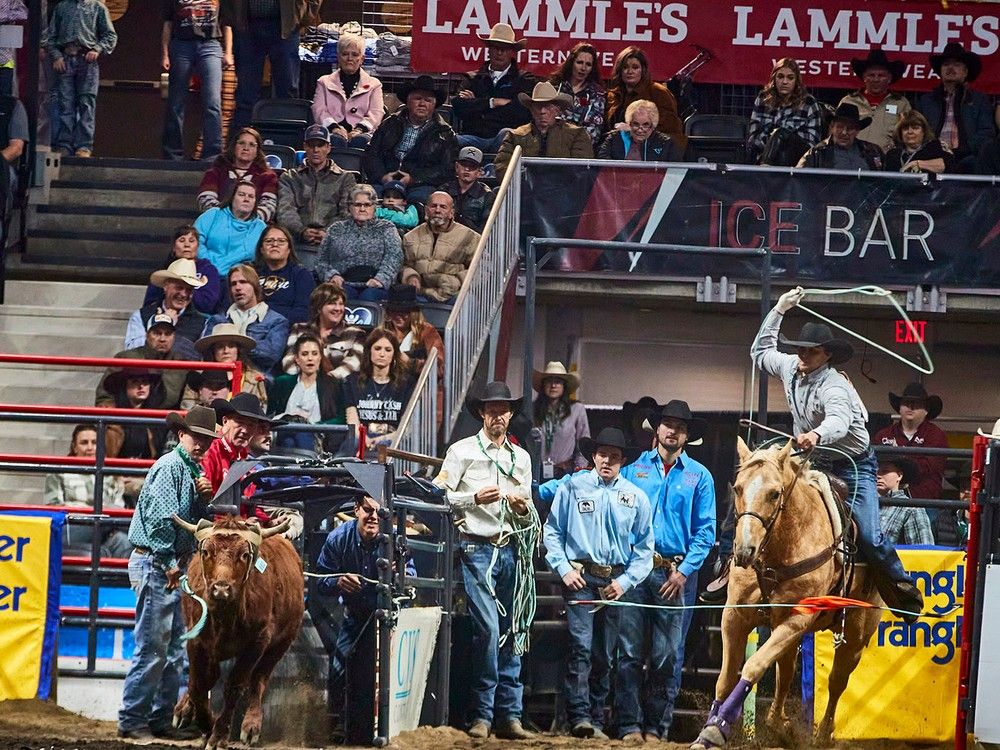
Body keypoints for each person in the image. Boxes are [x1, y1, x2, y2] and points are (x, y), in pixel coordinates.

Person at [751, 287, 924, 621]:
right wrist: (779, 309)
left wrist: (815, 434)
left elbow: (840, 422)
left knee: (871, 536)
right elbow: (760, 352)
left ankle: (901, 589)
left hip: (853, 465)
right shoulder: (790, 366)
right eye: (801, 350)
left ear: (826, 355)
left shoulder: (835, 386)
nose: (803, 356)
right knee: (758, 486)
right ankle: (733, 569)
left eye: (811, 352)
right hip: (813, 458)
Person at [434, 381, 537, 740]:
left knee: (514, 630)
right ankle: (484, 714)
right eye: (491, 409)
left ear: (510, 414)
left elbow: (527, 511)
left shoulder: (520, 458)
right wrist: (472, 498)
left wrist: (523, 509)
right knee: (490, 630)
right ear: (482, 413)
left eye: (503, 409)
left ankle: (509, 714)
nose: (497, 415)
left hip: (511, 548)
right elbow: (439, 495)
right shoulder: (461, 452)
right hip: (476, 548)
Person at [543, 427, 652, 740]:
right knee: (580, 646)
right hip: (580, 578)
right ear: (594, 456)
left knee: (605, 652)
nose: (607, 461)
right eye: (603, 454)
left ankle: (595, 716)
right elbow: (552, 532)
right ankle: (580, 716)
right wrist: (564, 568)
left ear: (622, 461)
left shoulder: (636, 497)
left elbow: (645, 549)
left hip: (614, 581)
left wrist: (626, 581)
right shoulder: (573, 487)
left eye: (614, 457)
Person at [117, 406, 218, 741]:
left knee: (173, 647)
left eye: (206, 439)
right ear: (182, 435)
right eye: (197, 437)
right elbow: (162, 519)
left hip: (168, 564)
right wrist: (170, 563)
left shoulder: (188, 470)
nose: (202, 444)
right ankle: (133, 719)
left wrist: (204, 500)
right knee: (155, 646)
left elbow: (187, 521)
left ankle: (158, 718)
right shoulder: (171, 467)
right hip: (160, 563)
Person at [618, 399, 715, 742]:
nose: (673, 430)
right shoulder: (631, 470)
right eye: (668, 424)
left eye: (681, 426)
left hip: (675, 572)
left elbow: (706, 531)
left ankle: (656, 727)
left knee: (666, 655)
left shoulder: (699, 476)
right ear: (657, 429)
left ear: (687, 436)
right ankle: (630, 724)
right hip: (636, 569)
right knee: (629, 651)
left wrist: (685, 571)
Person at [315, 494, 416, 745]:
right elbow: (319, 582)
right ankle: (340, 721)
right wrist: (337, 581)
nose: (373, 517)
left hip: (390, 615)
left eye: (379, 513)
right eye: (368, 510)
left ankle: (390, 725)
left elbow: (413, 578)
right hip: (357, 612)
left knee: (387, 673)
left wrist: (400, 577)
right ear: (357, 510)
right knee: (340, 666)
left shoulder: (397, 539)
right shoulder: (338, 538)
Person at [223, 0, 320, 133]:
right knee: (245, 94)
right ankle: (241, 145)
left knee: (287, 91)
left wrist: (305, 15)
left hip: (286, 25)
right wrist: (231, 17)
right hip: (247, 25)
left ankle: (285, 142)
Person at [362, 75, 458, 204]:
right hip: (385, 180)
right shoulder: (389, 123)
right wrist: (382, 176)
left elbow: (447, 169)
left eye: (428, 100)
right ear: (407, 101)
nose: (422, 104)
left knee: (421, 199)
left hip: (421, 184)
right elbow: (371, 154)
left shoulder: (445, 133)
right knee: (365, 197)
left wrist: (414, 178)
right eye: (417, 99)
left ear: (435, 105)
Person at [44, 423, 130, 559]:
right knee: (108, 517)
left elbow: (118, 510)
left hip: (104, 526)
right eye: (84, 443)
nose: (90, 448)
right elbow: (54, 508)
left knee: (123, 540)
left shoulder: (111, 475)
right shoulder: (59, 471)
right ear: (74, 447)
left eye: (94, 443)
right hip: (72, 527)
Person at [276, 124, 357, 268]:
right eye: (311, 145)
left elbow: (347, 213)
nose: (316, 150)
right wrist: (302, 231)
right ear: (304, 147)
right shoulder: (289, 177)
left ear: (328, 147)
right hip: (296, 239)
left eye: (320, 145)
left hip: (334, 240)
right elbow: (285, 211)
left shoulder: (346, 178)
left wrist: (327, 232)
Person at [161, 0, 232, 161]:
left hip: (210, 44)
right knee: (176, 101)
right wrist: (165, 53)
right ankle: (173, 154)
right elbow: (168, 24)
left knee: (213, 101)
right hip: (181, 45)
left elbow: (227, 23)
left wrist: (228, 52)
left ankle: (212, 155)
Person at [45, 0, 117, 157]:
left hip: (87, 60)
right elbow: (50, 37)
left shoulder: (97, 7)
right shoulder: (62, 7)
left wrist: (97, 49)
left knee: (86, 103)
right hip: (66, 58)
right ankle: (64, 144)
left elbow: (110, 35)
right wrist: (56, 56)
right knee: (65, 103)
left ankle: (84, 146)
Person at [451, 23, 535, 154]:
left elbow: (523, 112)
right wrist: (493, 102)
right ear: (489, 49)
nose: (499, 52)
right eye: (496, 48)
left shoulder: (525, 79)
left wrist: (477, 105)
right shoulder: (471, 77)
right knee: (450, 140)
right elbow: (459, 107)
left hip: (505, 138)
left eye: (505, 49)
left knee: (506, 133)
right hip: (473, 138)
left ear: (511, 52)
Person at [313, 183, 402, 301]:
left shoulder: (386, 228)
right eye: (357, 204)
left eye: (367, 204)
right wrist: (332, 275)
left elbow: (394, 257)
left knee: (368, 296)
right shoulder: (336, 229)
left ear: (375, 206)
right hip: (342, 284)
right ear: (349, 207)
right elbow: (321, 260)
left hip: (375, 285)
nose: (362, 209)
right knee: (340, 296)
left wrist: (381, 279)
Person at [916, 42, 994, 172]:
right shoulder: (926, 101)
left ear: (965, 72)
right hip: (931, 158)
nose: (950, 68)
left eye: (956, 64)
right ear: (940, 71)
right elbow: (918, 129)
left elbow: (986, 132)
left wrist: (963, 150)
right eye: (946, 64)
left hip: (967, 159)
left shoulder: (979, 100)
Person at [494, 81, 594, 179]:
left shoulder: (577, 134)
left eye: (548, 106)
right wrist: (524, 177)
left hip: (563, 191)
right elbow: (501, 166)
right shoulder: (515, 135)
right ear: (531, 110)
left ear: (557, 110)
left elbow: (582, 170)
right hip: (524, 191)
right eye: (538, 106)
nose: (542, 111)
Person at [204, 264, 290, 374]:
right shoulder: (217, 320)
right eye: (233, 284)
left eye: (243, 282)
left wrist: (238, 343)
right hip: (220, 379)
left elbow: (271, 354)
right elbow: (206, 351)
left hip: (258, 380)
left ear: (255, 286)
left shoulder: (276, 321)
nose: (238, 288)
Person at [344, 327, 416, 456]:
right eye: (377, 349)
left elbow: (406, 428)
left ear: (394, 354)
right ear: (369, 351)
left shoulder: (407, 384)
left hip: (393, 438)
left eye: (388, 350)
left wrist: (380, 440)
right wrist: (363, 439)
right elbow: (352, 420)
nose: (382, 354)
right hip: (361, 437)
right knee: (352, 444)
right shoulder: (352, 381)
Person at [268, 333, 345, 451]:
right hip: (284, 433)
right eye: (305, 354)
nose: (310, 358)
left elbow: (341, 418)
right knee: (288, 440)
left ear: (320, 357)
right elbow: (270, 415)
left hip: (317, 436)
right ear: (297, 359)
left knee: (300, 436)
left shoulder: (333, 384)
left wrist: (316, 426)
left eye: (314, 354)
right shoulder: (282, 383)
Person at [873, 382, 948, 501]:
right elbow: (874, 465)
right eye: (905, 403)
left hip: (924, 501)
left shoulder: (936, 435)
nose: (911, 406)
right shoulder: (883, 435)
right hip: (886, 500)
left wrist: (897, 460)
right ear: (899, 408)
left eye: (917, 404)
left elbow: (927, 467)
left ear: (926, 410)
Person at [401, 191, 480, 303]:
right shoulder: (410, 237)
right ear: (426, 210)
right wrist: (410, 276)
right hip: (420, 295)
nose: (437, 210)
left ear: (451, 213)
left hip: (453, 295)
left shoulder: (470, 237)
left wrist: (458, 280)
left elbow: (483, 268)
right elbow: (403, 265)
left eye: (443, 207)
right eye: (433, 206)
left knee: (465, 300)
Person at [382, 284, 444, 424]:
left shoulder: (427, 332)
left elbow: (439, 367)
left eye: (404, 311)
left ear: (413, 312)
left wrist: (410, 363)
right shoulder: (381, 333)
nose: (399, 316)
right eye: (394, 311)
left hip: (417, 398)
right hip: (385, 397)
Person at [98, 312, 186, 411]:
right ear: (147, 335)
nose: (162, 339)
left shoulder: (181, 362)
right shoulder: (126, 358)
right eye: (157, 333)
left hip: (168, 419)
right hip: (128, 416)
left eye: (168, 334)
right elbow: (104, 396)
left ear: (174, 337)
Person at [125, 258, 209, 361]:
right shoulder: (141, 315)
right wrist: (162, 324)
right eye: (179, 287)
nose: (183, 294)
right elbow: (132, 352)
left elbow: (199, 358)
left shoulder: (202, 322)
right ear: (165, 286)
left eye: (189, 290)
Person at [310, 32, 383, 148]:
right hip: (331, 131)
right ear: (338, 57)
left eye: (354, 55)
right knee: (334, 140)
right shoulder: (324, 82)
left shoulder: (374, 84)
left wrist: (359, 130)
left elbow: (376, 113)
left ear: (362, 59)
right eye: (345, 54)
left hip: (363, 133)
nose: (350, 59)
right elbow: (319, 110)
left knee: (360, 141)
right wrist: (334, 128)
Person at [746, 58, 824, 165]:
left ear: (796, 81)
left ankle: (765, 167)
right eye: (780, 77)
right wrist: (772, 141)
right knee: (777, 136)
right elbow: (752, 139)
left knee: (781, 133)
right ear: (774, 78)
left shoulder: (809, 103)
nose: (785, 82)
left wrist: (785, 137)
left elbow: (812, 144)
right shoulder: (762, 99)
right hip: (764, 153)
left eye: (790, 78)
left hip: (796, 161)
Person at [282, 282, 366, 380]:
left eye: (341, 304)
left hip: (338, 389)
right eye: (332, 303)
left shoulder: (355, 334)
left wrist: (323, 382)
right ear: (318, 308)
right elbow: (288, 363)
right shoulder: (299, 329)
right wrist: (308, 378)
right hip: (302, 384)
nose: (338, 308)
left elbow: (352, 366)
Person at [603, 47, 685, 147]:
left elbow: (671, 131)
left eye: (635, 67)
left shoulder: (658, 92)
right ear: (619, 70)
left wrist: (633, 130)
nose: (630, 71)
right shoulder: (613, 95)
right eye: (625, 67)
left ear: (643, 70)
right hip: (617, 149)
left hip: (653, 150)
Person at [197, 126, 278, 221]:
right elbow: (206, 201)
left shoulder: (268, 177)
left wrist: (247, 221)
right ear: (234, 147)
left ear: (257, 151)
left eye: (252, 145)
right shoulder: (214, 173)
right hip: (218, 223)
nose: (246, 148)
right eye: (241, 143)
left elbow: (269, 206)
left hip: (252, 227)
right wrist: (227, 220)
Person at [839, 48, 911, 153]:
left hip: (887, 162)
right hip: (851, 159)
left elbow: (910, 135)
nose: (876, 79)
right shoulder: (848, 101)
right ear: (864, 77)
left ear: (889, 78)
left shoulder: (901, 103)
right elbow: (836, 132)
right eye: (871, 75)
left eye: (881, 75)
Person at [143, 225, 223, 316]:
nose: (187, 245)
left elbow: (208, 304)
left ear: (198, 246)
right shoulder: (164, 272)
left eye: (191, 241)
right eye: (181, 240)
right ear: (173, 247)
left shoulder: (208, 270)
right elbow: (149, 303)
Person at [185, 321, 268, 409]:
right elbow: (187, 406)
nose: (226, 351)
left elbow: (261, 409)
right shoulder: (198, 375)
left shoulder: (254, 378)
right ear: (213, 351)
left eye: (231, 346)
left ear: (238, 350)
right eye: (220, 347)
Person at [194, 179, 268, 275]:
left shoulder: (260, 227)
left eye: (251, 196)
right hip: (206, 271)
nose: (246, 199)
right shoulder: (213, 215)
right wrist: (211, 266)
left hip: (241, 277)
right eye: (241, 195)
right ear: (232, 197)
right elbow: (195, 241)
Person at [531, 361, 589, 479]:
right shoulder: (532, 410)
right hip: (535, 472)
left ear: (564, 386)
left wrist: (579, 473)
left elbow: (583, 444)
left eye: (557, 382)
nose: (553, 386)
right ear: (543, 385)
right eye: (549, 381)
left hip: (565, 473)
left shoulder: (577, 410)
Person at [252, 224, 314, 324]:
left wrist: (274, 321)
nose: (275, 244)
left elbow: (303, 311)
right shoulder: (251, 273)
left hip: (286, 326)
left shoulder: (302, 275)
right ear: (261, 249)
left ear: (289, 249)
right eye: (269, 241)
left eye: (281, 241)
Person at [549, 42, 605, 145]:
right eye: (579, 62)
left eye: (588, 64)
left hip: (580, 149)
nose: (583, 68)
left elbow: (594, 132)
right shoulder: (554, 87)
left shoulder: (597, 94)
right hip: (552, 143)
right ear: (571, 62)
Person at [796, 103, 883, 170]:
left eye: (850, 128)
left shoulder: (874, 151)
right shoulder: (816, 154)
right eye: (840, 127)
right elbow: (799, 183)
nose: (844, 132)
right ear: (832, 127)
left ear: (857, 130)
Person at [597, 98, 688, 161]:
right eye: (635, 124)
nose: (640, 130)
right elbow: (602, 162)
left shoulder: (666, 143)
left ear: (653, 125)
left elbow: (675, 172)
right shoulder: (615, 138)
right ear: (629, 123)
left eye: (645, 125)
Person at [877, 454, 934, 546]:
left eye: (885, 471)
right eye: (874, 471)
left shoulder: (912, 509)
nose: (878, 476)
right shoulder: (866, 506)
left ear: (899, 476)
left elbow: (923, 553)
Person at [439, 146, 495, 234]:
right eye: (464, 165)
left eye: (472, 166)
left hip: (474, 241)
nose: (467, 169)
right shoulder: (444, 190)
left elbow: (486, 228)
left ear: (479, 172)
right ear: (457, 167)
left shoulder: (487, 195)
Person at [883, 111, 953, 174]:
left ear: (924, 131)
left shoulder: (935, 147)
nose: (910, 132)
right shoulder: (893, 154)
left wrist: (916, 164)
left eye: (915, 128)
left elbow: (948, 165)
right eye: (905, 129)